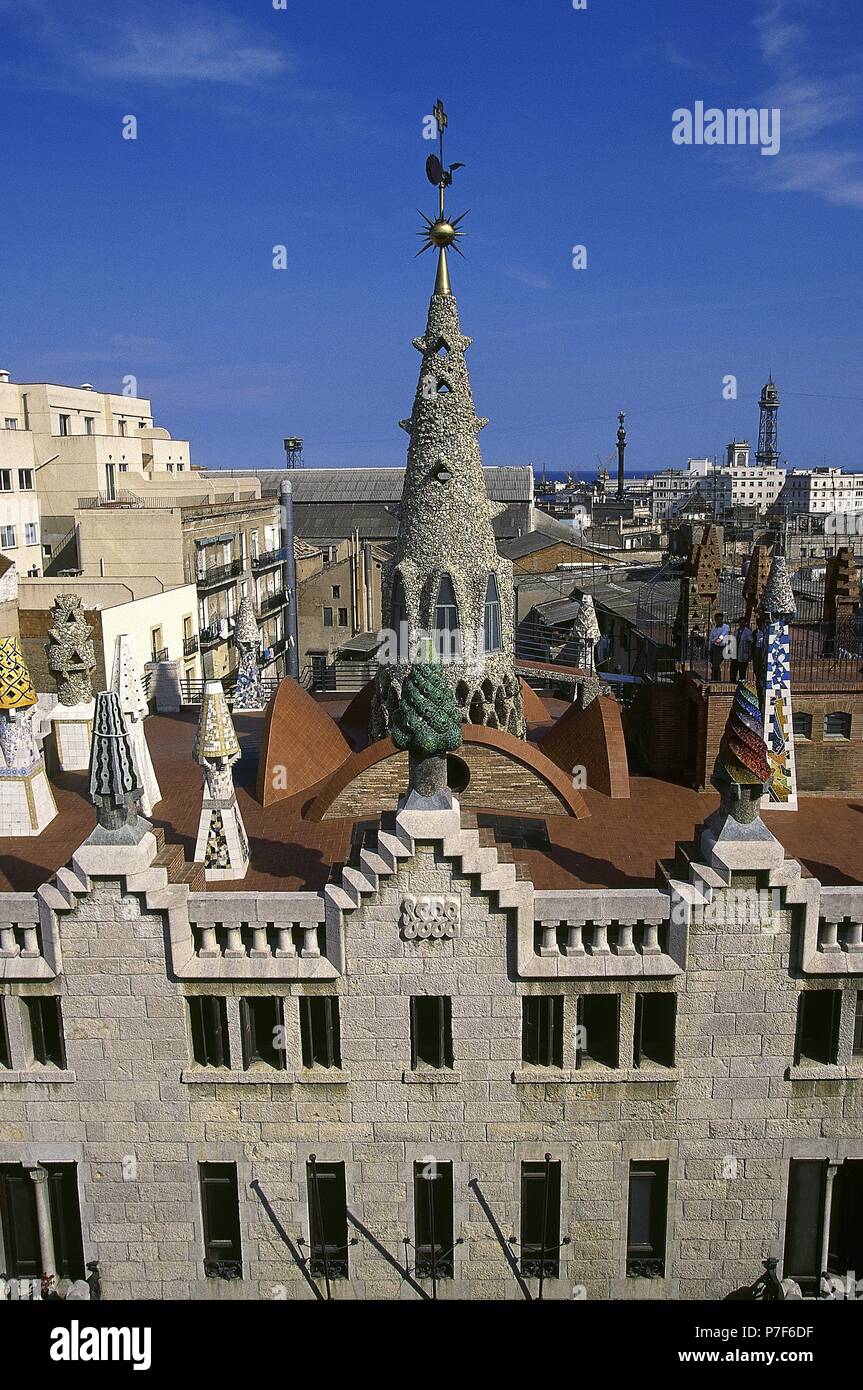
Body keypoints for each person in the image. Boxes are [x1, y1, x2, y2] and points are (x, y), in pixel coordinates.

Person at [708, 610, 731, 682]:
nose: (719, 621)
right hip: (715, 647)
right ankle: (714, 677)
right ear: (715, 620)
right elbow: (710, 638)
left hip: (722, 647)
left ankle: (717, 678)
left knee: (718, 663)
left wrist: (717, 640)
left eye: (720, 619)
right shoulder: (714, 628)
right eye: (718, 620)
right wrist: (709, 648)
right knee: (714, 663)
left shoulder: (726, 627)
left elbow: (722, 635)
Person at [732, 617, 753, 681]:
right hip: (735, 654)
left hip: (744, 654)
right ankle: (733, 682)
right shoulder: (736, 631)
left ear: (745, 623)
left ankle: (742, 684)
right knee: (733, 670)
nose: (741, 623)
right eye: (740, 622)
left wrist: (750, 655)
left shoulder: (748, 632)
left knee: (742, 671)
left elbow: (751, 643)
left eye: (743, 622)